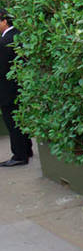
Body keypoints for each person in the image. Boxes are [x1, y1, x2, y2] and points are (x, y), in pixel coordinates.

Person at [0, 10, 26, 167]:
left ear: (4, 21)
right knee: (19, 120)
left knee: (12, 122)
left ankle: (19, 155)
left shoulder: (5, 41)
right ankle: (25, 150)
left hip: (8, 90)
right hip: (16, 88)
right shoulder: (16, 35)